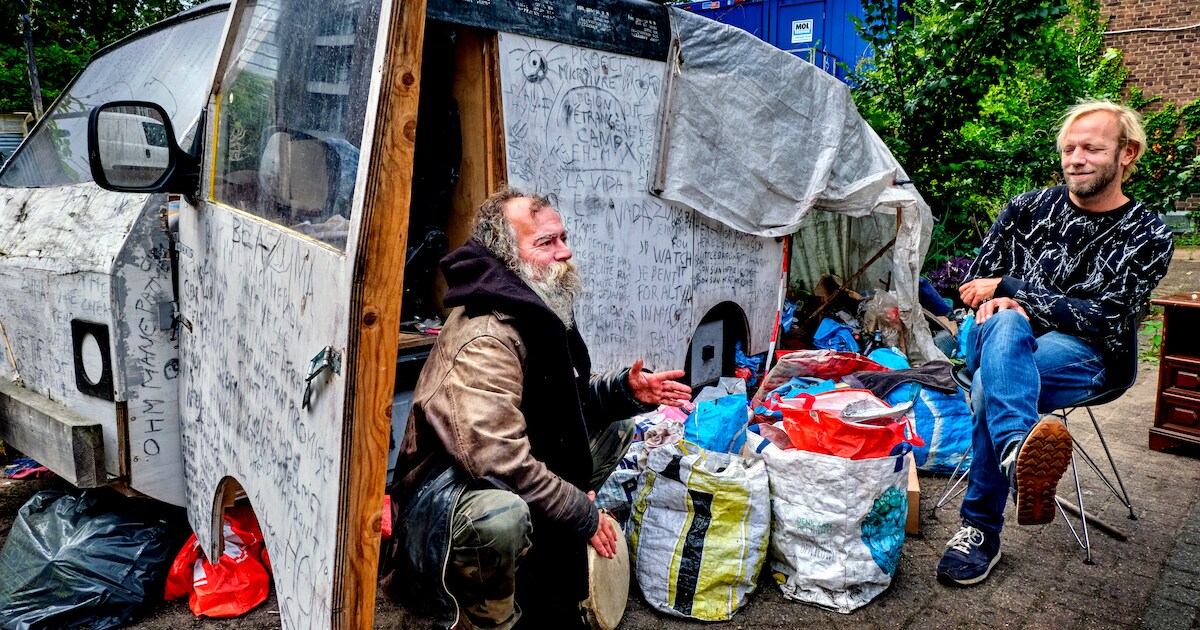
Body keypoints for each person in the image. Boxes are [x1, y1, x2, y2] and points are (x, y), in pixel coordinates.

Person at [383, 187, 692, 629]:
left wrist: (624, 391)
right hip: (446, 503)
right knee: (501, 520)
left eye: (563, 238)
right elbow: (499, 462)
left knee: (617, 428)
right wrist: (583, 513)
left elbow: (561, 407)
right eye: (546, 243)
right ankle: (484, 614)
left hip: (498, 469)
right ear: (506, 256)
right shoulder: (486, 336)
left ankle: (543, 558)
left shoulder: (535, 304)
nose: (564, 253)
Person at [936, 99, 1174, 587]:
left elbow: (1104, 316)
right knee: (1006, 325)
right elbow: (974, 286)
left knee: (988, 386)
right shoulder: (1026, 209)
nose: (1076, 159)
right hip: (994, 335)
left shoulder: (1148, 234)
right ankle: (1017, 453)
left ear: (1127, 153)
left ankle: (982, 524)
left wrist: (1015, 292)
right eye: (1069, 149)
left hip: (1086, 354)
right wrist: (1004, 301)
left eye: (1092, 148)